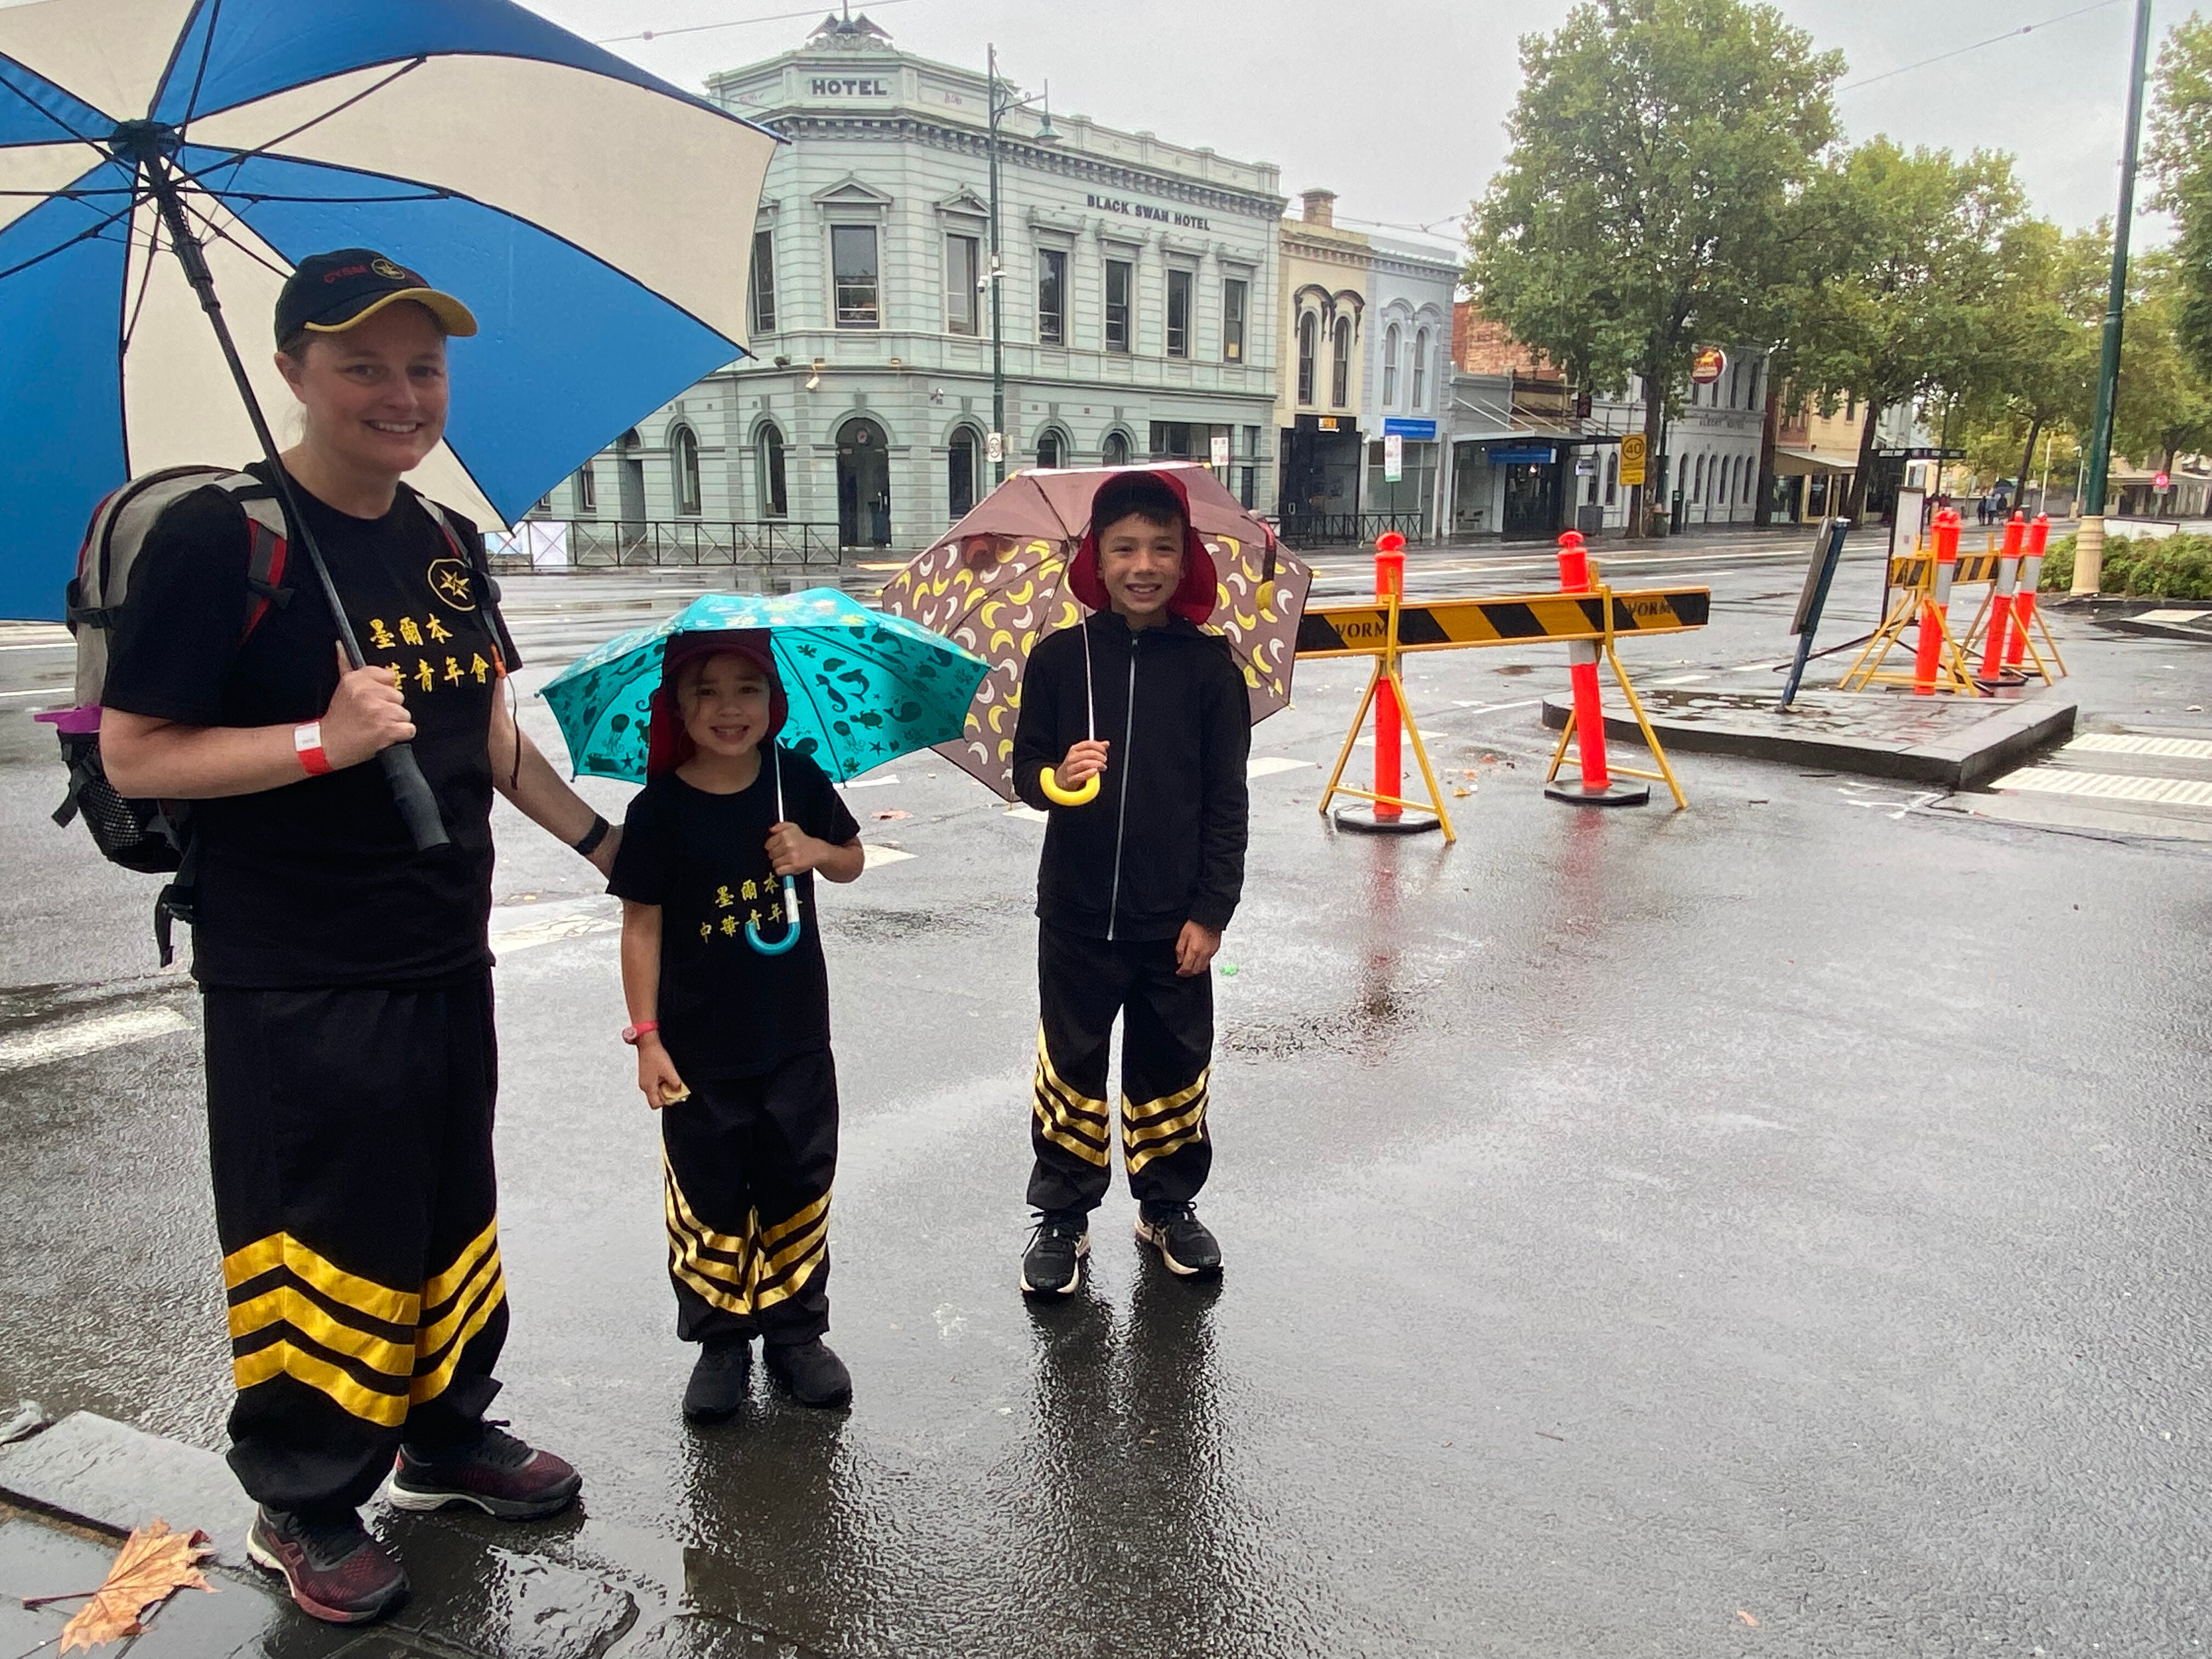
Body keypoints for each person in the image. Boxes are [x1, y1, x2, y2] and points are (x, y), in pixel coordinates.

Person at [99, 250, 619, 1626]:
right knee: (322, 1230)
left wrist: (608, 849)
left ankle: (445, 1437)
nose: (402, 394)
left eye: (423, 367)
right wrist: (315, 745)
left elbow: (488, 733)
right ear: (291, 373)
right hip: (298, 968)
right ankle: (306, 1498)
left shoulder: (442, 542)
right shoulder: (227, 540)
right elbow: (143, 756)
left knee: (447, 1211)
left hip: (444, 945)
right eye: (363, 366)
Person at [609, 637, 865, 1421]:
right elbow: (641, 928)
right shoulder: (657, 811)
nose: (729, 709)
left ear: (773, 702)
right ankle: (722, 1339)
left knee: (797, 1175)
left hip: (792, 1038)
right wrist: (648, 1035)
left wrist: (815, 850)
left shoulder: (797, 781)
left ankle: (795, 1333)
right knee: (708, 1188)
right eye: (708, 692)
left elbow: (853, 858)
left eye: (748, 690)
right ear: (679, 707)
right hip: (697, 1051)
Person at [1008, 471, 1250, 1296]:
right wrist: (1060, 775)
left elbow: (1226, 802)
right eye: (1124, 549)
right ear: (1096, 561)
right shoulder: (1059, 659)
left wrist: (1212, 912)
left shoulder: (1213, 669)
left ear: (1186, 562)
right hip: (1076, 915)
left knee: (1172, 1060)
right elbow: (1024, 772)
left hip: (1172, 919)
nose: (1143, 565)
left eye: (1161, 549)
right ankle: (1063, 1219)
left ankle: (1168, 1206)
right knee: (1071, 1064)